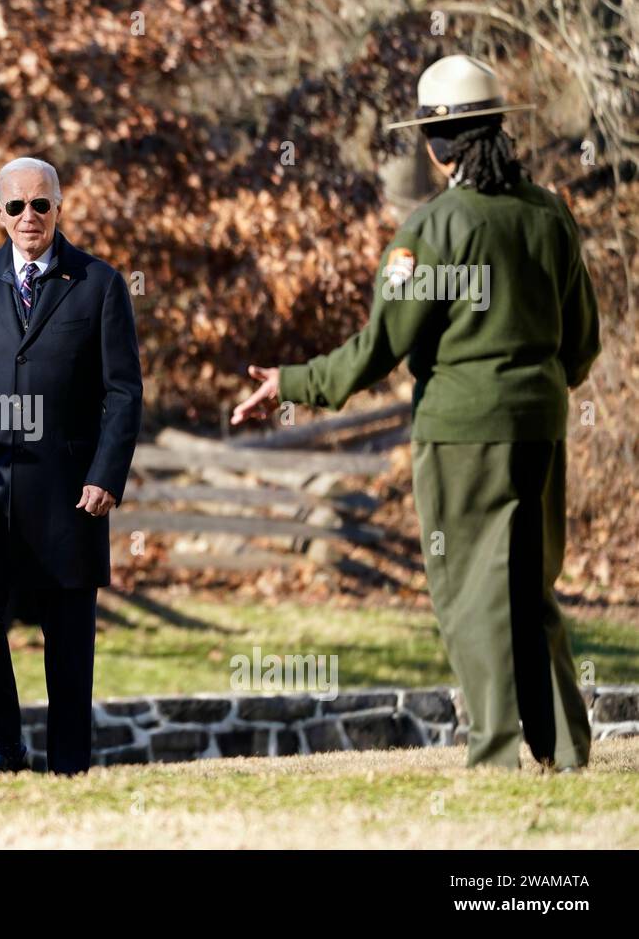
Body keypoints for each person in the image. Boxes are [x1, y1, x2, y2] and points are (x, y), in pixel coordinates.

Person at [232, 55, 601, 771]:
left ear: (438, 146)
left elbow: (381, 347)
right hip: (543, 425)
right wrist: (545, 388)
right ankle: (564, 748)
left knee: (469, 590)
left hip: (463, 433)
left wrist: (291, 382)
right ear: (499, 128)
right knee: (531, 587)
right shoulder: (551, 213)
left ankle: (494, 755)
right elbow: (581, 340)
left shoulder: (433, 229)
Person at [0, 157, 143, 776]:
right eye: (16, 206)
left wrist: (106, 473)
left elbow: (124, 392)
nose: (30, 216)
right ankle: (6, 742)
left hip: (71, 492)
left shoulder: (99, 283)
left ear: (58, 207)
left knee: (69, 641)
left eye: (41, 204)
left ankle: (70, 765)